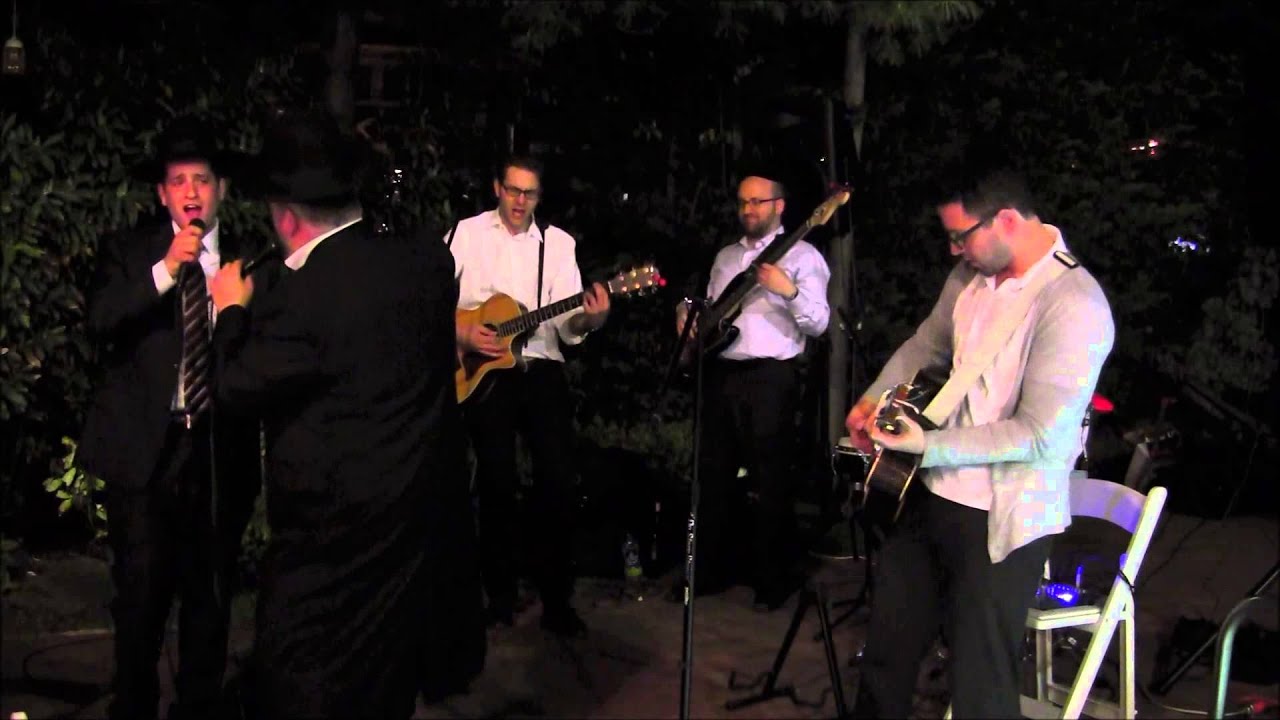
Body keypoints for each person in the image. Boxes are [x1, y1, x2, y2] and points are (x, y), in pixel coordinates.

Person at [208, 108, 484, 719]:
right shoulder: (425, 262)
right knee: (384, 671)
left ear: (285, 216)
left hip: (329, 537)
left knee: (304, 677)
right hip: (412, 520)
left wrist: (229, 310)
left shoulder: (301, 298)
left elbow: (234, 386)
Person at [844, 161, 1115, 718]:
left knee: (980, 685)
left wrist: (931, 446)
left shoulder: (1075, 305)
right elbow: (927, 344)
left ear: (1007, 220)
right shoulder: (972, 276)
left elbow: (1039, 434)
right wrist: (875, 396)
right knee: (885, 659)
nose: (953, 250)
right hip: (926, 494)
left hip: (1001, 518)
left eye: (960, 236)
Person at [78, 116, 265, 720]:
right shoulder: (129, 251)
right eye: (179, 181)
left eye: (203, 180)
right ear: (162, 193)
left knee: (208, 598)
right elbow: (101, 322)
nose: (191, 192)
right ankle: (132, 707)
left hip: (216, 451)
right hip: (145, 455)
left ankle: (200, 707)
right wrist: (165, 270)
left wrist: (232, 310)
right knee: (139, 598)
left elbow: (262, 362)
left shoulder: (246, 265)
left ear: (221, 191)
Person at [448, 155, 610, 637]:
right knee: (496, 481)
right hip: (484, 370)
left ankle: (557, 598)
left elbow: (568, 323)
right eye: (513, 191)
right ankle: (498, 595)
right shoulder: (466, 233)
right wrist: (464, 334)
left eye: (530, 194)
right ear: (497, 187)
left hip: (540, 367)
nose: (520, 202)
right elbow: (435, 298)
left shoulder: (558, 245)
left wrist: (589, 319)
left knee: (557, 480)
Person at [672, 170, 831, 612]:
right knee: (713, 476)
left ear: (780, 206)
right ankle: (708, 571)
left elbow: (819, 322)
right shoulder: (725, 257)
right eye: (743, 201)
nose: (748, 210)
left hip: (771, 379)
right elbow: (710, 314)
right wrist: (689, 323)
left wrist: (789, 290)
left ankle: (772, 579)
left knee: (771, 481)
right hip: (722, 373)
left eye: (758, 202)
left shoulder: (803, 256)